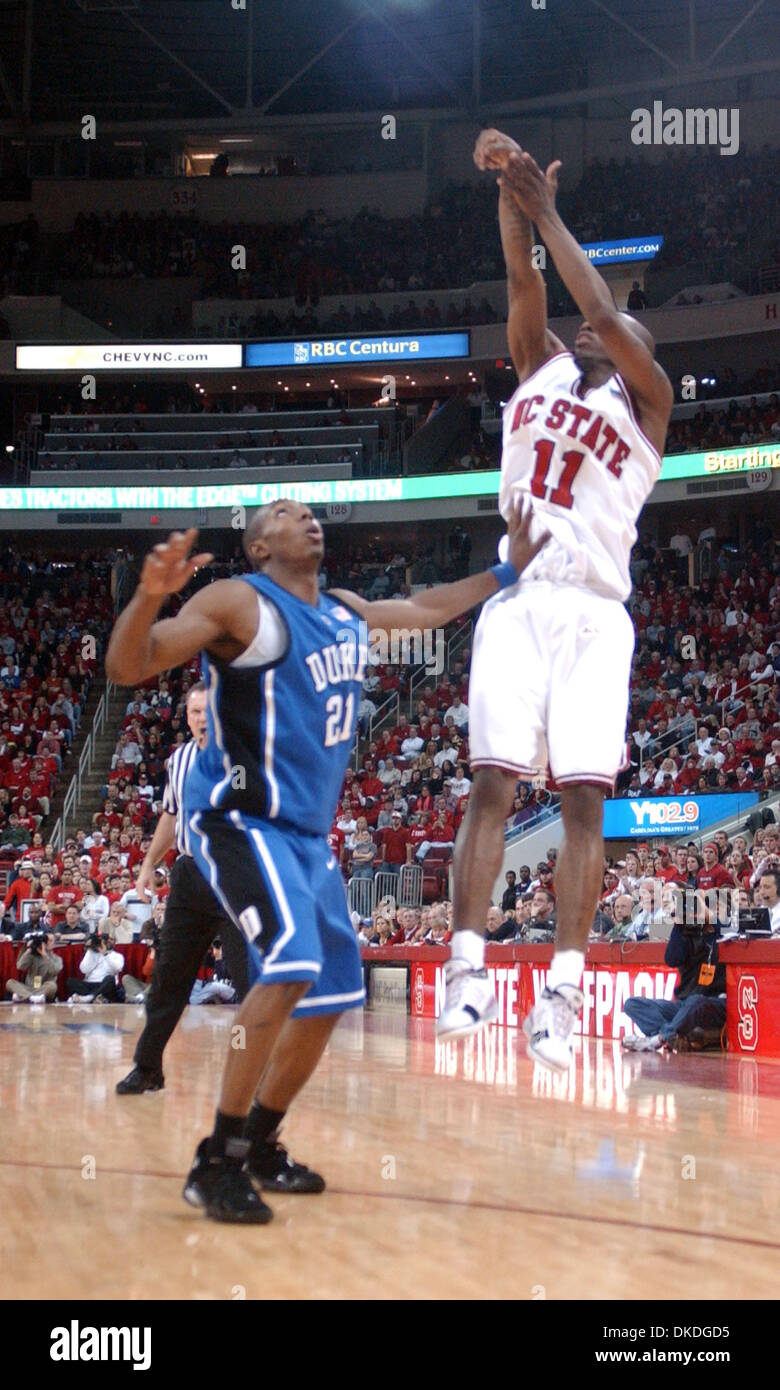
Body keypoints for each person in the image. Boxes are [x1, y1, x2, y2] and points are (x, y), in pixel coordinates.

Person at [105, 501, 544, 1223]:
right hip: (242, 822)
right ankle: (214, 1162)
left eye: (310, 511)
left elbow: (424, 607)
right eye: (286, 513)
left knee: (334, 993)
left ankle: (261, 1139)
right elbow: (130, 664)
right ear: (256, 546)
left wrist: (506, 571)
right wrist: (150, 594)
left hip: (308, 837)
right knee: (288, 965)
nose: (306, 518)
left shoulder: (343, 610)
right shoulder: (239, 602)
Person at [436, 128, 673, 1073]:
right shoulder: (537, 376)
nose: (588, 334)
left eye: (610, 335)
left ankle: (564, 989)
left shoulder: (646, 403)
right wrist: (510, 199)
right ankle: (467, 970)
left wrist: (550, 213)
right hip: (522, 597)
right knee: (491, 784)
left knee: (583, 803)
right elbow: (527, 288)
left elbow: (605, 311)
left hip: (596, 615)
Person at [116, 682, 250, 1096]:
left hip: (235, 875)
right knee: (168, 979)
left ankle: (258, 1074)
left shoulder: (242, 759)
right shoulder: (178, 760)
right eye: (194, 713)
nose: (202, 719)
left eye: (208, 711)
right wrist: (148, 864)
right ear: (186, 718)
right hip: (190, 877)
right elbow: (170, 819)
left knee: (250, 983)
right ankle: (148, 1068)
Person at [4, 929, 62, 1003]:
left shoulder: (57, 959)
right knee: (10, 982)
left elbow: (53, 972)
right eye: (45, 940)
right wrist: (29, 950)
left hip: (44, 988)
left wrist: (45, 955)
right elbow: (20, 966)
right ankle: (33, 997)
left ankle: (23, 996)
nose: (47, 943)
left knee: (52, 986)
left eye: (50, 941)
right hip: (28, 988)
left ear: (54, 944)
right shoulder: (32, 955)